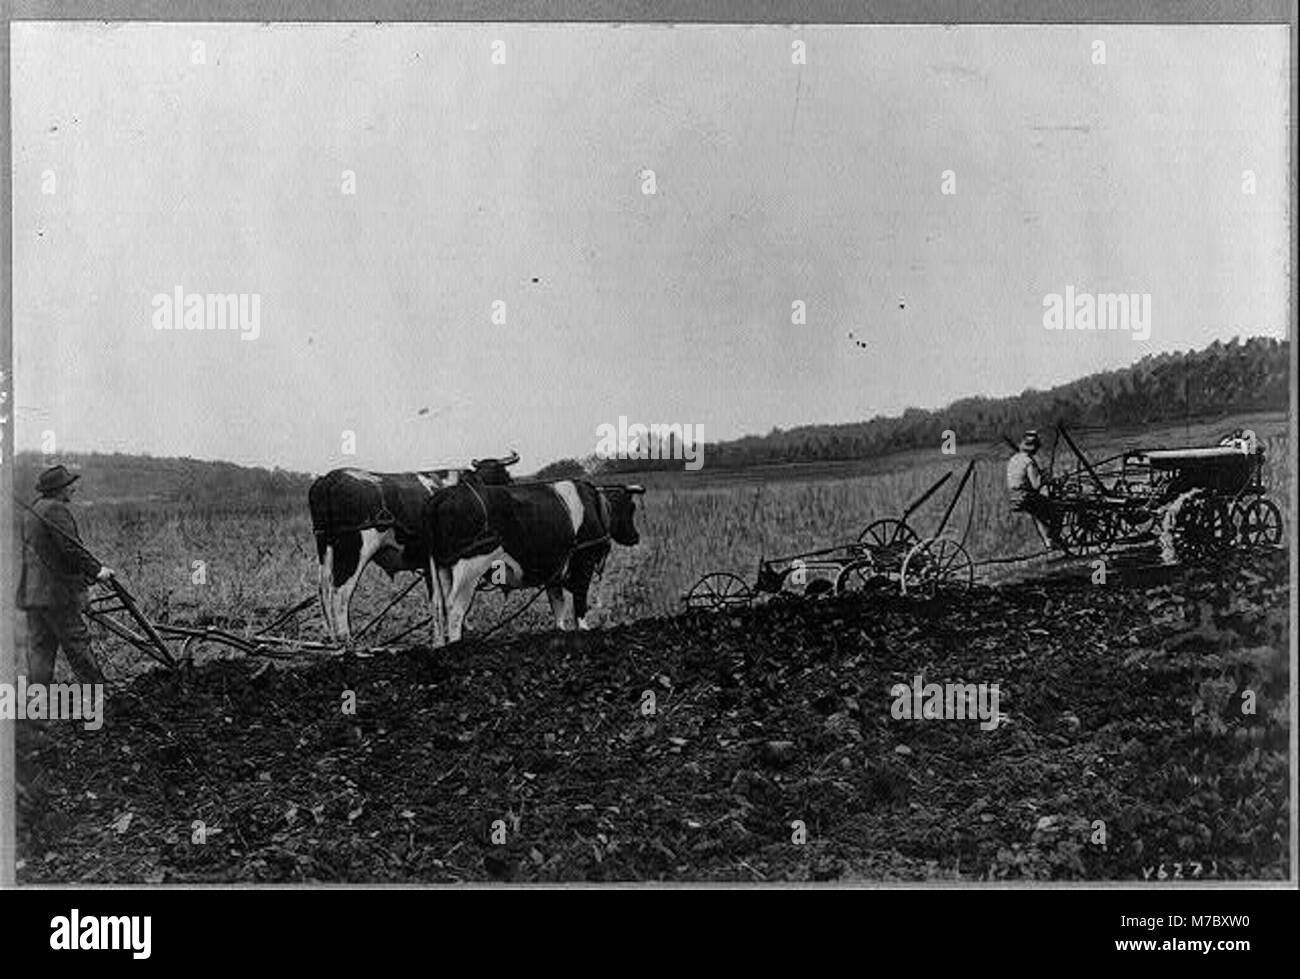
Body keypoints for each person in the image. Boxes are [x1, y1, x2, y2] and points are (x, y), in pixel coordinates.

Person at [16, 465, 115, 685]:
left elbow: (47, 552)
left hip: (34, 594)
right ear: (59, 489)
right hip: (56, 594)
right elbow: (71, 549)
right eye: (70, 485)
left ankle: (36, 709)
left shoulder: (33, 510)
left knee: (41, 652)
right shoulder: (55, 510)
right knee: (77, 644)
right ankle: (100, 701)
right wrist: (98, 571)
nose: (73, 489)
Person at [1006, 430, 1060, 550]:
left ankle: (1048, 541)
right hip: (1025, 496)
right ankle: (1055, 540)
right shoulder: (1029, 461)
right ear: (1034, 448)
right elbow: (1036, 485)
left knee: (1038, 514)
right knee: (1057, 510)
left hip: (1013, 496)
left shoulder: (1013, 459)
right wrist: (1045, 478)